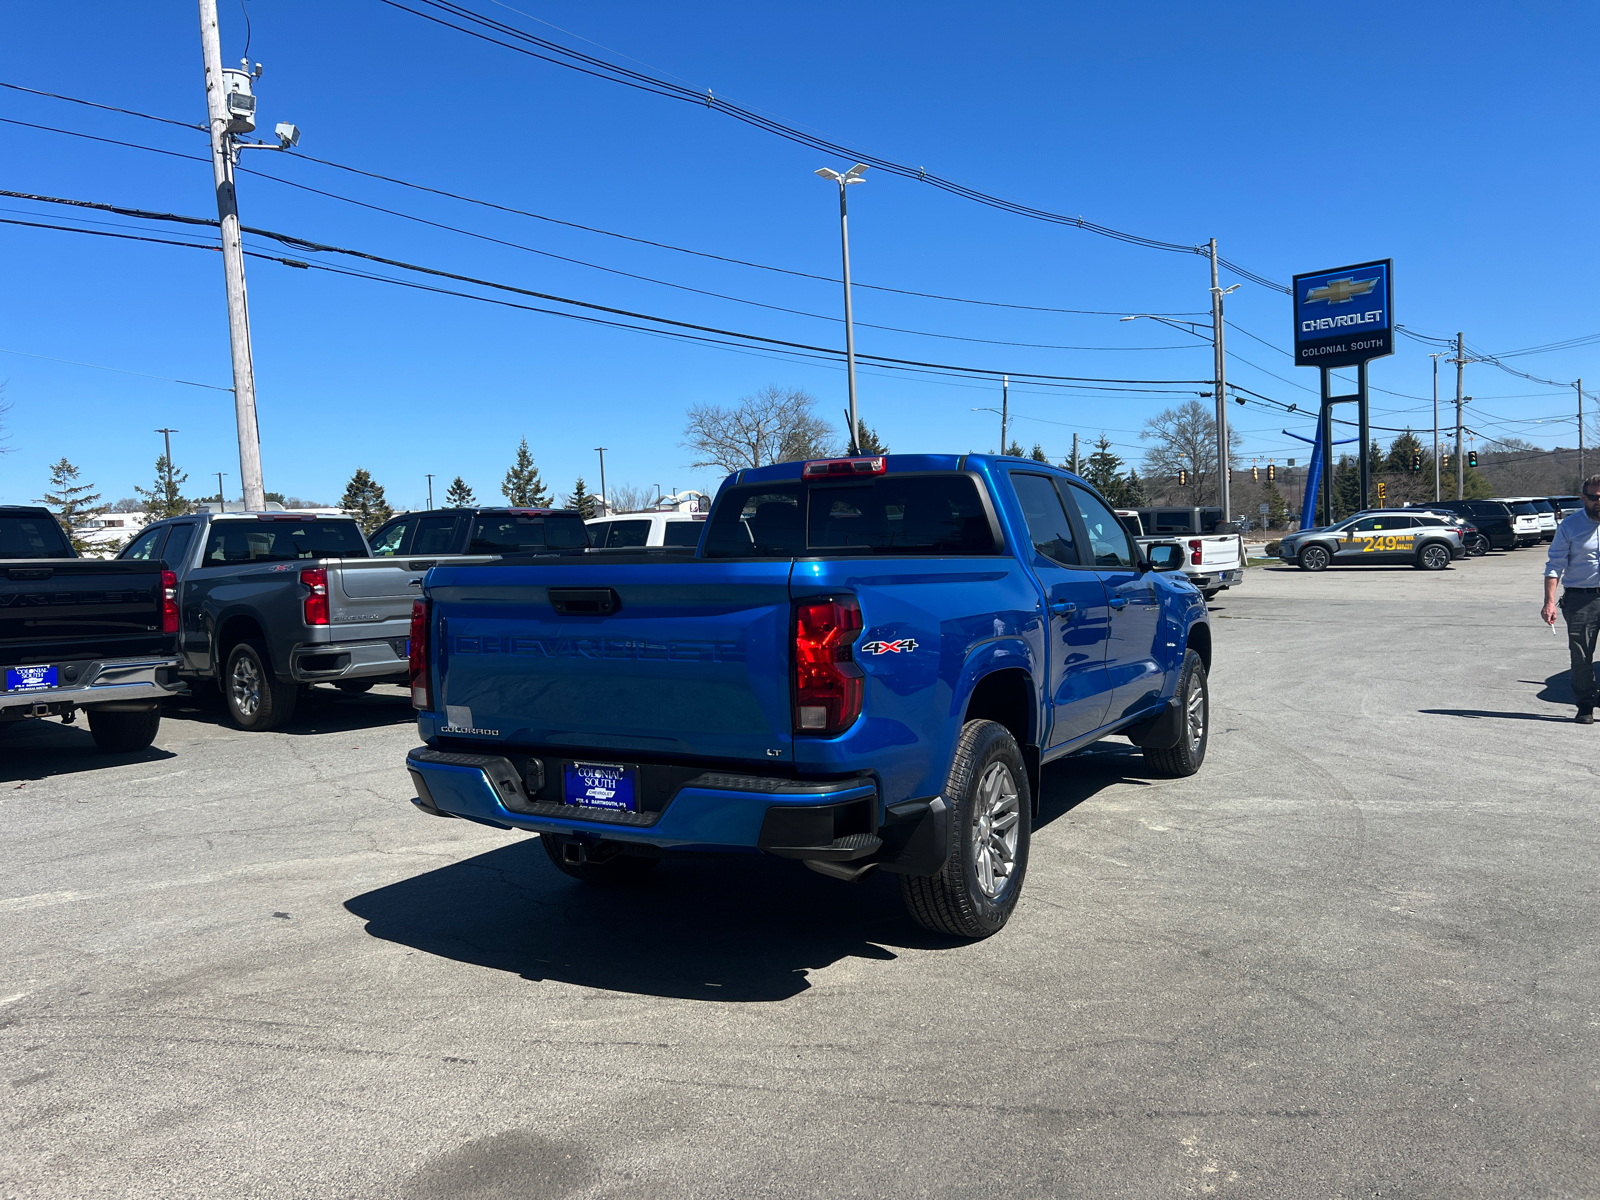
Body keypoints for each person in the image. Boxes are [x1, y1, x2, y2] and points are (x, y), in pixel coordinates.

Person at [1542, 474, 1600, 723]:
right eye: (1594, 497)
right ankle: (1585, 705)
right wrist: (1549, 601)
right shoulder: (1570, 526)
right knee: (1581, 656)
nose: (1599, 501)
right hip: (1581, 599)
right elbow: (1554, 565)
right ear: (1583, 498)